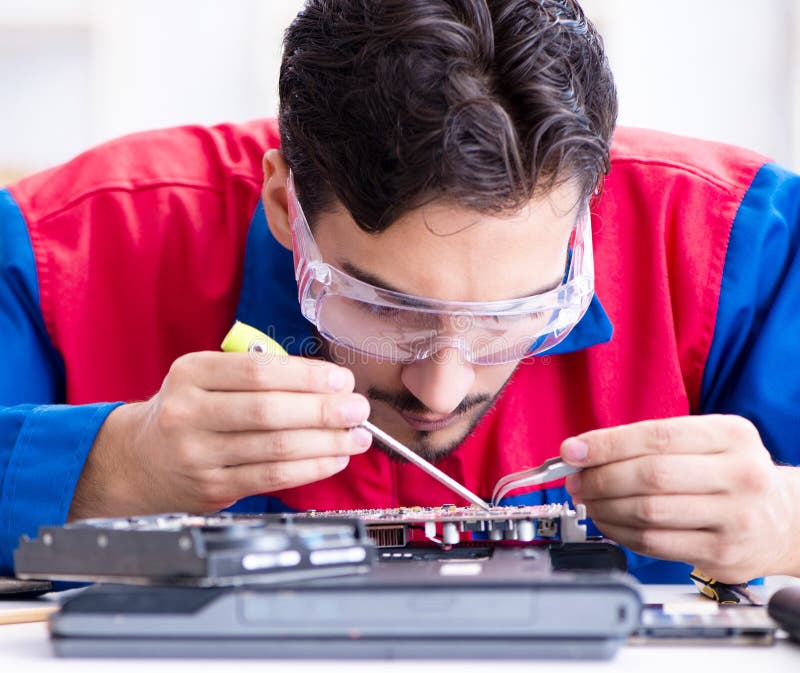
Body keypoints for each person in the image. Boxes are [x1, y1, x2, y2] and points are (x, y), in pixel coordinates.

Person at [1, 0, 798, 584]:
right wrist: (115, 464)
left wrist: (783, 518)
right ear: (283, 202)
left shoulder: (744, 243)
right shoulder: (59, 246)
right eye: (384, 307)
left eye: (513, 313)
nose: (441, 390)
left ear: (584, 220)